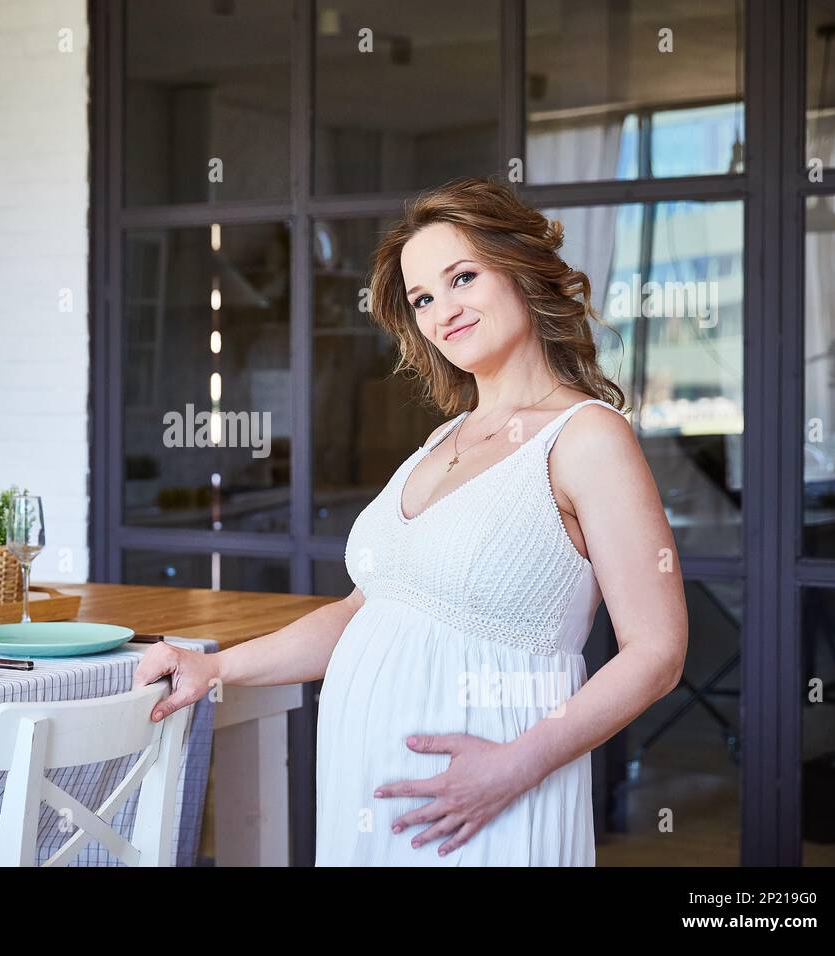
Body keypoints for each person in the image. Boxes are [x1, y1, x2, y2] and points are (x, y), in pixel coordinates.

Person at [133, 177, 688, 866]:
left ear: (520, 269)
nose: (442, 311)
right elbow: (362, 612)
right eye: (423, 298)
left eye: (462, 278)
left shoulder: (586, 437)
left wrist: (514, 766)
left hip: (489, 799)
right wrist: (213, 667)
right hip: (370, 792)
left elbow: (657, 652)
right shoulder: (441, 441)